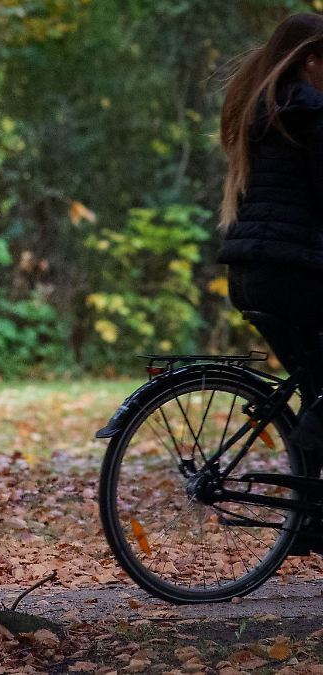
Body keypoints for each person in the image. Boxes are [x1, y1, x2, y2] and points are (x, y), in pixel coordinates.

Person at [219, 13, 323, 551]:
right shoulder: (308, 115)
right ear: (310, 60)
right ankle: (309, 513)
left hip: (251, 273)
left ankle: (309, 520)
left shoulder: (263, 115)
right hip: (294, 275)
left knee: (316, 387)